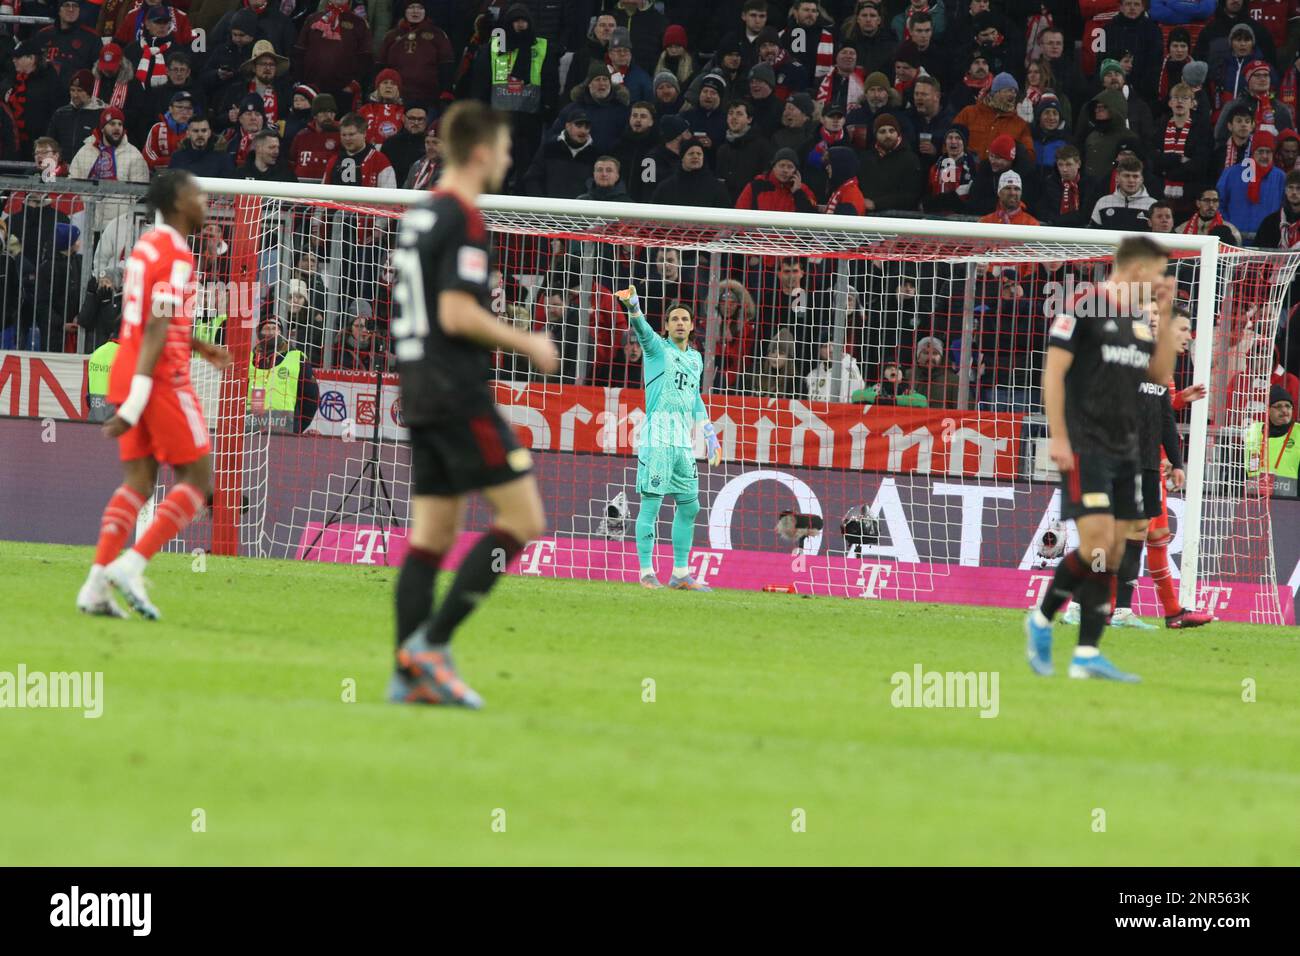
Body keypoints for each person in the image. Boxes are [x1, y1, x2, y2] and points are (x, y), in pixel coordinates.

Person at [388, 101, 558, 709]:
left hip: (418, 388)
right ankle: (431, 646)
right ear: (482, 152)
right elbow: (458, 313)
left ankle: (406, 675)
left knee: (431, 536)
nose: (509, 161)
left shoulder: (420, 213)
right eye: (506, 150)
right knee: (524, 520)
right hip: (457, 391)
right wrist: (527, 341)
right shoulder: (463, 218)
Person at [1025, 236, 1184, 683]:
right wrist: (1058, 436)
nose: (1159, 282)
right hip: (1086, 445)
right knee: (1096, 544)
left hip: (1128, 452)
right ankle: (1041, 619)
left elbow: (1159, 376)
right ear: (1135, 269)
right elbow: (1053, 374)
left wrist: (1167, 316)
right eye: (1156, 273)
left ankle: (1086, 654)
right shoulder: (1084, 306)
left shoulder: (1138, 322)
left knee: (1110, 554)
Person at [76, 171, 232, 620]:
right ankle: (133, 564)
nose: (205, 202)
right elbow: (159, 327)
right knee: (198, 481)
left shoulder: (145, 246)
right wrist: (138, 402)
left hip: (130, 362)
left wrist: (199, 343)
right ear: (178, 202)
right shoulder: (176, 253)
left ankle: (94, 587)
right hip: (159, 373)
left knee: (139, 484)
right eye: (198, 195)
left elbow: (155, 315)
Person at [1063, 306, 1214, 628]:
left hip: (1149, 463)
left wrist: (1174, 459)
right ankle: (1087, 604)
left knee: (1144, 532)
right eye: (1183, 328)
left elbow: (1159, 416)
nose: (1189, 336)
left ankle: (1126, 609)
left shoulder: (1161, 370)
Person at [614, 288, 721, 591]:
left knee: (691, 507)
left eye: (684, 319)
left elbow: (694, 397)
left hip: (683, 441)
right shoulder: (657, 349)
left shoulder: (696, 359)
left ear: (690, 325)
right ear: (667, 326)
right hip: (658, 436)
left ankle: (681, 574)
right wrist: (634, 307)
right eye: (673, 319)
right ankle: (647, 572)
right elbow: (642, 330)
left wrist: (709, 432)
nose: (679, 323)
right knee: (652, 506)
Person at [1246, 384, 1299, 492]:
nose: (1284, 410)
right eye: (1278, 406)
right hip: (1254, 500)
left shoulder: (1298, 432)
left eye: (1288, 406)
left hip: (1290, 502)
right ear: (1268, 410)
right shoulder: (1253, 430)